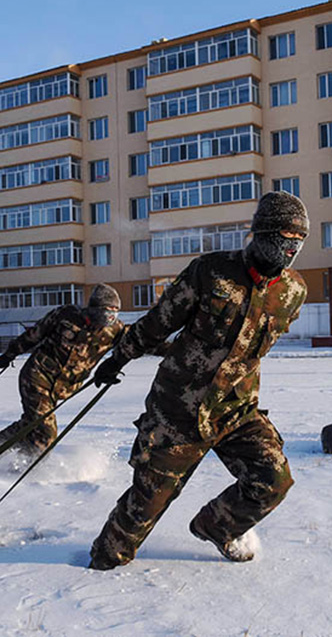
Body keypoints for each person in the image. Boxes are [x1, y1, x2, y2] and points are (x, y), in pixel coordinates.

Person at [87, 191, 309, 570]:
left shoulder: (293, 292)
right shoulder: (211, 271)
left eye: (299, 243)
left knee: (272, 480)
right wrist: (118, 357)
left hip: (235, 409)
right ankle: (100, 564)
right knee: (146, 504)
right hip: (179, 409)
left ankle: (215, 526)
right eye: (284, 240)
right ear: (261, 234)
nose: (291, 251)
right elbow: (159, 323)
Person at [0, 284, 125, 463]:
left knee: (30, 425)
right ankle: (26, 468)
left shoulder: (115, 330)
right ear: (94, 308)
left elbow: (139, 342)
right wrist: (9, 354)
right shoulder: (66, 315)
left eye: (115, 310)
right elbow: (34, 335)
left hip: (62, 387)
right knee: (46, 433)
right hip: (37, 377)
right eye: (107, 309)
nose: (111, 314)